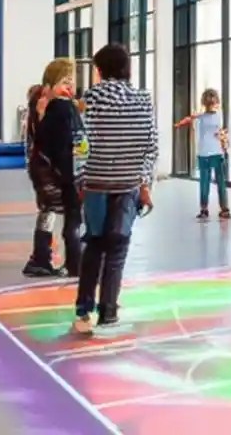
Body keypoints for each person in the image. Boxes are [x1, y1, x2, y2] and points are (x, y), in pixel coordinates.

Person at [72, 44, 158, 337]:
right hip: (128, 185)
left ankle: (84, 311)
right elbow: (151, 147)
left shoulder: (92, 98)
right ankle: (109, 311)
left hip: (96, 184)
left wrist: (80, 179)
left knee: (94, 245)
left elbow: (81, 143)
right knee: (118, 248)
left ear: (99, 70)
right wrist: (144, 182)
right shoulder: (144, 99)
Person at [22, 61, 88, 278]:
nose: (70, 86)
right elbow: (58, 143)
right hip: (55, 169)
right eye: (64, 81)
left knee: (49, 210)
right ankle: (68, 262)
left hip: (50, 168)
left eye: (71, 81)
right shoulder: (59, 108)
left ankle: (41, 258)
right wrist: (70, 173)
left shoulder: (50, 106)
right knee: (69, 214)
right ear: (50, 84)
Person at [175, 88, 230, 222]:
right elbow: (221, 134)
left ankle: (204, 209)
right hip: (216, 153)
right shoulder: (218, 117)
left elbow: (189, 120)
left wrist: (178, 124)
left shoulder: (200, 117)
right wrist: (224, 144)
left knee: (205, 182)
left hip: (205, 153)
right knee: (220, 182)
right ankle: (224, 208)